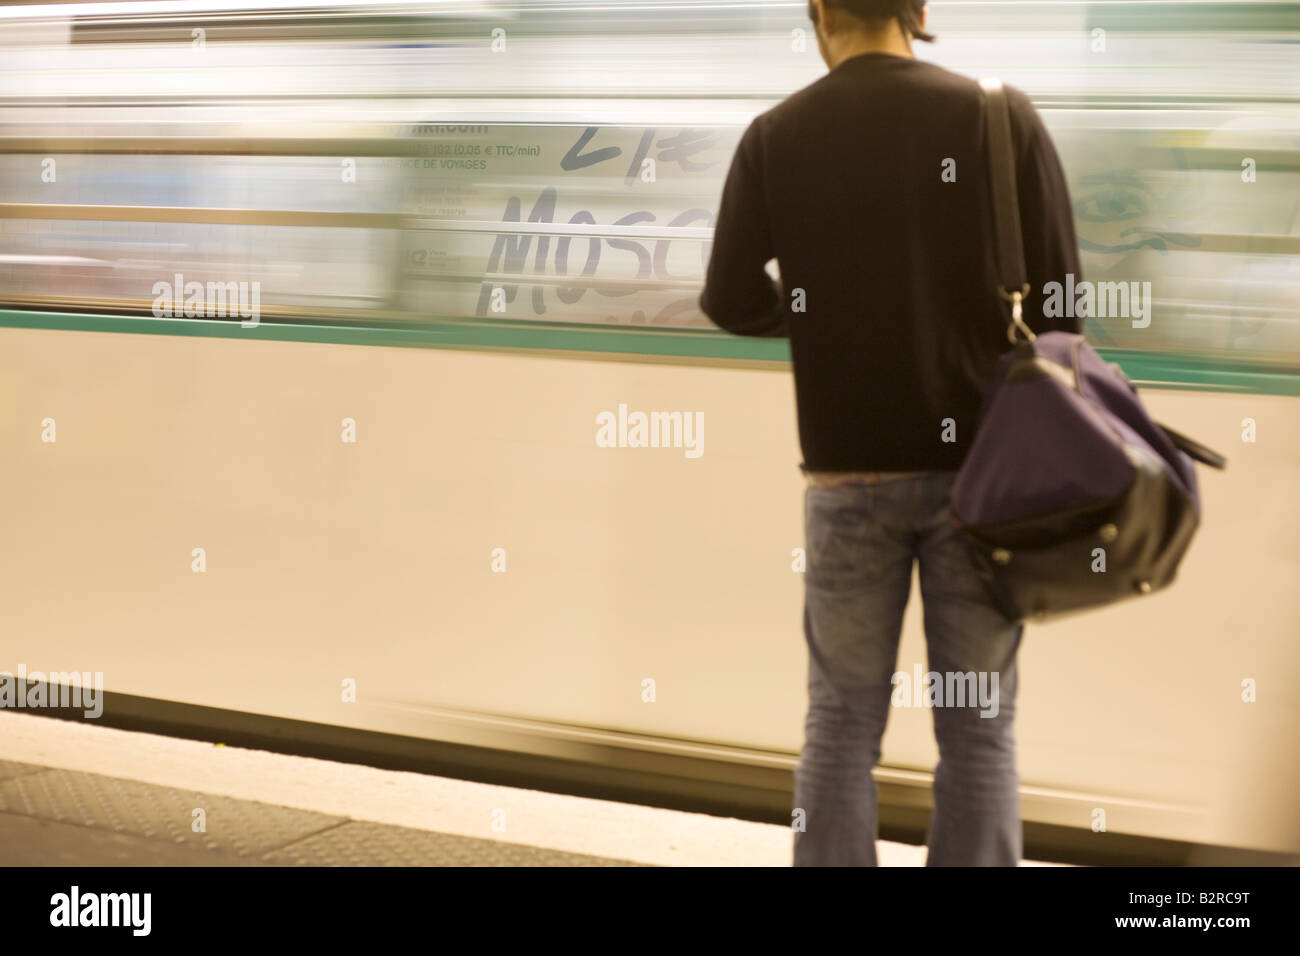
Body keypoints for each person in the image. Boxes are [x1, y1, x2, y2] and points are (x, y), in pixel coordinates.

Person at [698, 0, 1083, 865]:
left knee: (838, 725)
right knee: (979, 729)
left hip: (846, 479)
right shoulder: (998, 113)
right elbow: (1063, 304)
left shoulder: (777, 134)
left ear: (822, 11)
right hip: (985, 482)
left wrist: (820, 320)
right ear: (917, 10)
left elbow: (728, 297)